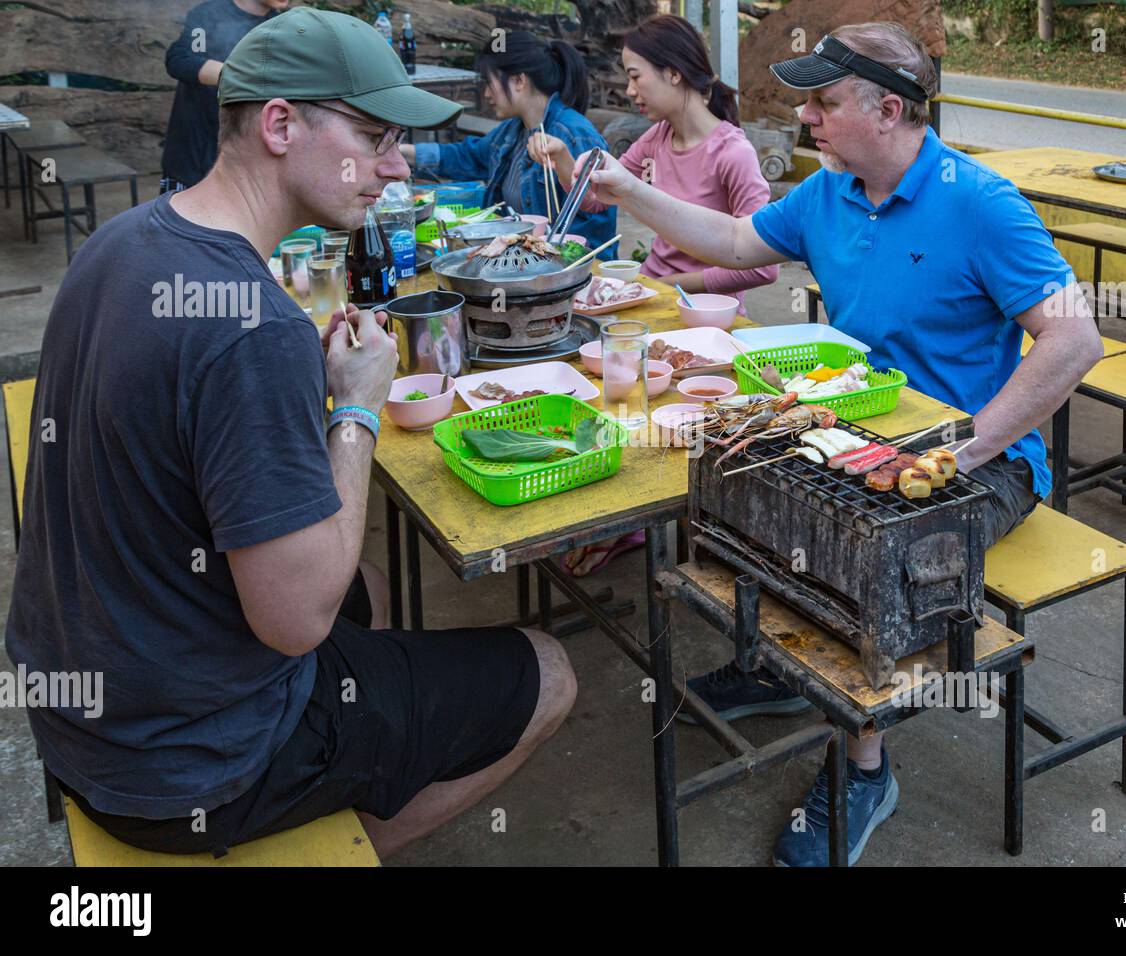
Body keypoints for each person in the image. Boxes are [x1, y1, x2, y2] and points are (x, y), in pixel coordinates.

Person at [5, 8, 575, 860]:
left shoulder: (121, 241)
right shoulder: (254, 328)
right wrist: (356, 409)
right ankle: (334, 841)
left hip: (83, 707)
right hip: (187, 762)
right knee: (551, 670)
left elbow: (186, 420)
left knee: (372, 587)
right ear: (279, 124)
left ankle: (347, 767)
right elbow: (296, 620)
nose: (393, 167)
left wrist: (294, 386)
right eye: (374, 137)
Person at [575, 22, 1104, 867]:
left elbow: (1075, 342)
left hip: (980, 460)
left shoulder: (980, 203)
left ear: (887, 108)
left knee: (858, 546)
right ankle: (770, 665)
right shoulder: (831, 191)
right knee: (733, 480)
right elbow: (742, 244)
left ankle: (864, 768)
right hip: (854, 426)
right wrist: (625, 190)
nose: (805, 115)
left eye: (823, 100)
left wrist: (962, 452)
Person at [527, 14, 778, 311]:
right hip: (651, 294)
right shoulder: (657, 138)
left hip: (702, 312)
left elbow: (762, 267)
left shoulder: (733, 154)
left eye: (635, 76)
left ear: (673, 73)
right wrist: (562, 157)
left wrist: (670, 284)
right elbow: (595, 201)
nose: (630, 90)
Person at [399, 31, 617, 256]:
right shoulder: (512, 131)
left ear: (518, 80)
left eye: (489, 83)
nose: (486, 93)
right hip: (521, 262)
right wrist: (405, 152)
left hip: (561, 270)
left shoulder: (575, 135)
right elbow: (468, 155)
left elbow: (596, 232)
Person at [159, 0, 292, 194]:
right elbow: (182, 59)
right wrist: (242, 76)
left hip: (249, 164)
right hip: (195, 158)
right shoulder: (208, 15)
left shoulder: (281, 24)